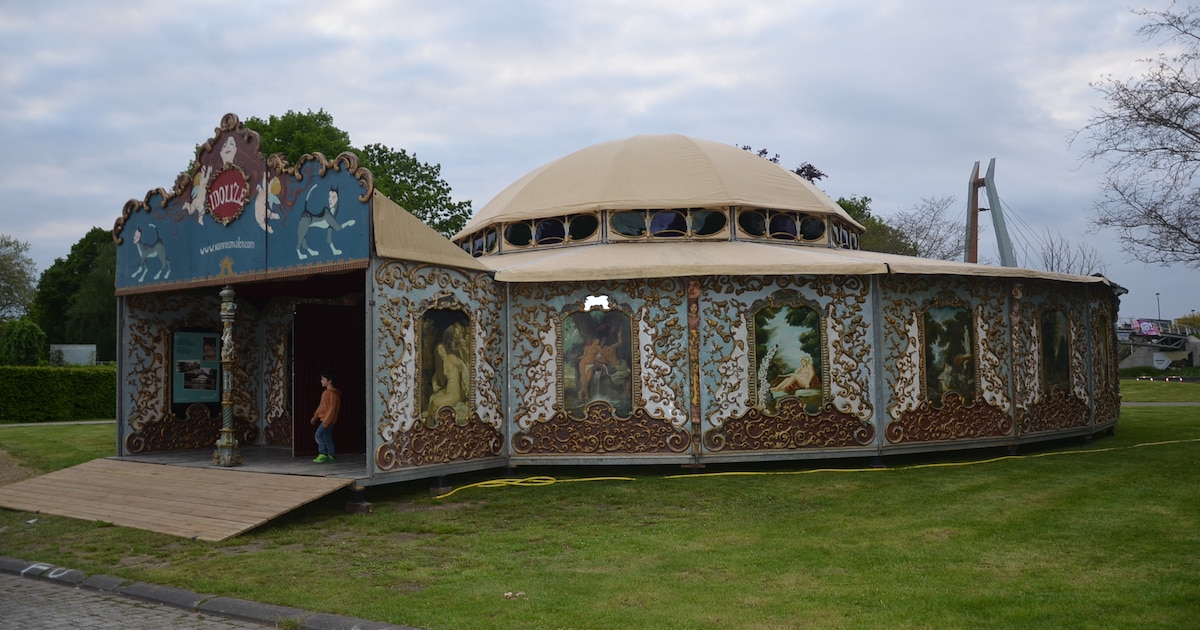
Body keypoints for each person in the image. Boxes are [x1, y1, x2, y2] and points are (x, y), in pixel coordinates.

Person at [310, 370, 341, 463]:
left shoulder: (333, 394)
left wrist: (326, 422)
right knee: (327, 436)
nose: (321, 381)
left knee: (318, 435)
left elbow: (332, 408)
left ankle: (322, 453)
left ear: (329, 381)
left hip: (328, 420)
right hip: (325, 419)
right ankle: (331, 454)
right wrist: (315, 417)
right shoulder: (325, 393)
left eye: (323, 379)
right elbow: (321, 407)